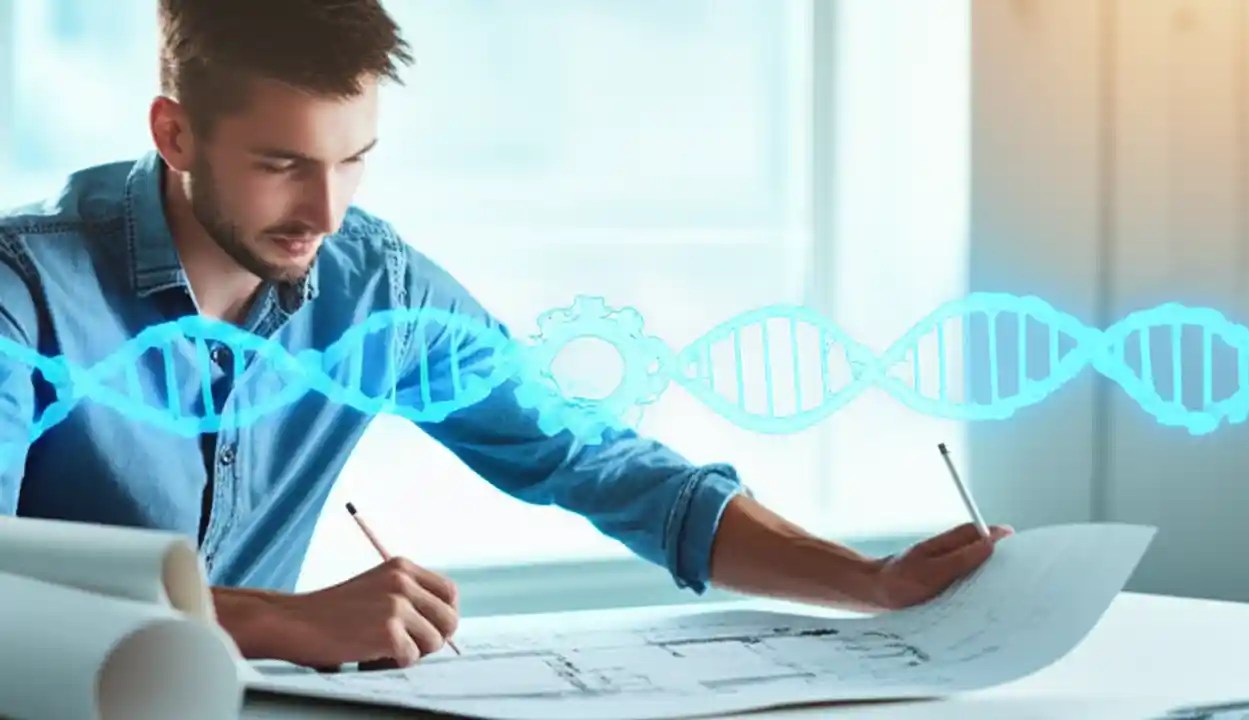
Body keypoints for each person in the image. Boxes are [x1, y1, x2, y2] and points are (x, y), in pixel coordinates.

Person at [0, 0, 1012, 670]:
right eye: (279, 164)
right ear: (173, 132)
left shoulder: (371, 287)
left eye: (354, 161)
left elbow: (596, 461)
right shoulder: (24, 295)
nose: (328, 211)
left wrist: (868, 582)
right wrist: (273, 621)